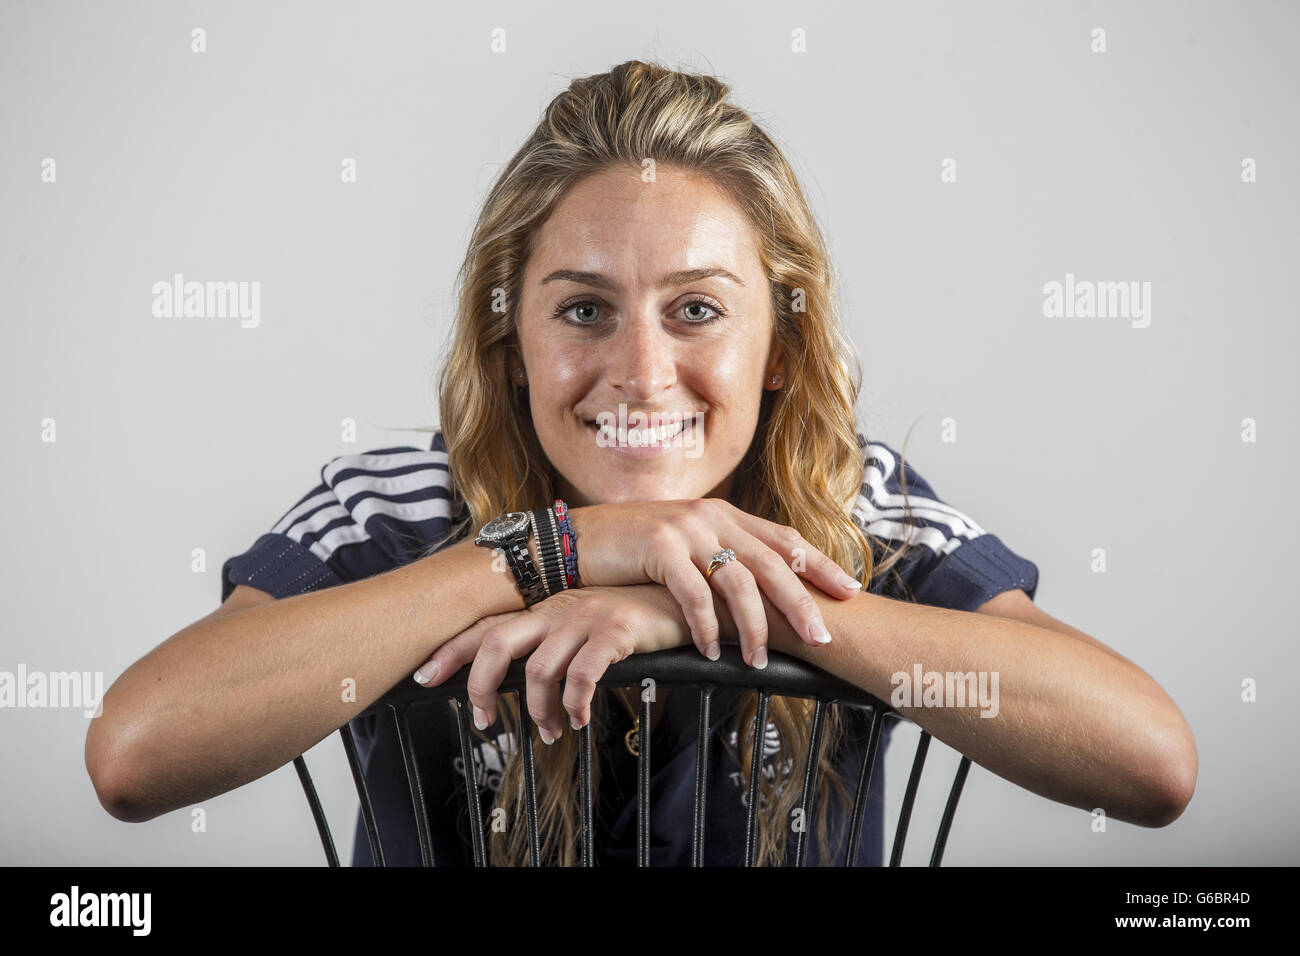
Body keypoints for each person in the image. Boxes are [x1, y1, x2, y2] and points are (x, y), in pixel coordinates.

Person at [85, 59, 1197, 867]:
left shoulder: (855, 505)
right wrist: (549, 553)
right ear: (509, 346)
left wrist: (706, 594)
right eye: (583, 309)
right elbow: (136, 751)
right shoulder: (396, 506)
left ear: (780, 351)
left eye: (698, 310)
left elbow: (1149, 760)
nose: (641, 371)